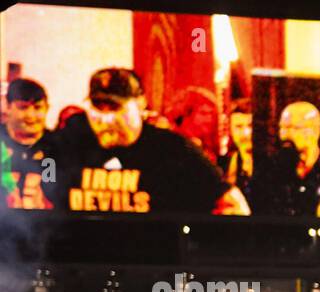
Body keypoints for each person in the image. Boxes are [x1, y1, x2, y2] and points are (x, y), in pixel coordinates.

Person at [50, 68, 248, 214]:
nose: (106, 119)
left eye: (115, 108)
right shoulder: (67, 143)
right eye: (98, 108)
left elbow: (232, 204)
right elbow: (40, 195)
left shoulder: (174, 150)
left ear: (140, 103)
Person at [1, 77, 54, 209]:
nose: (30, 115)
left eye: (37, 108)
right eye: (23, 108)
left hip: (44, 226)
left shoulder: (57, 145)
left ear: (47, 108)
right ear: (7, 107)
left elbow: (58, 195)